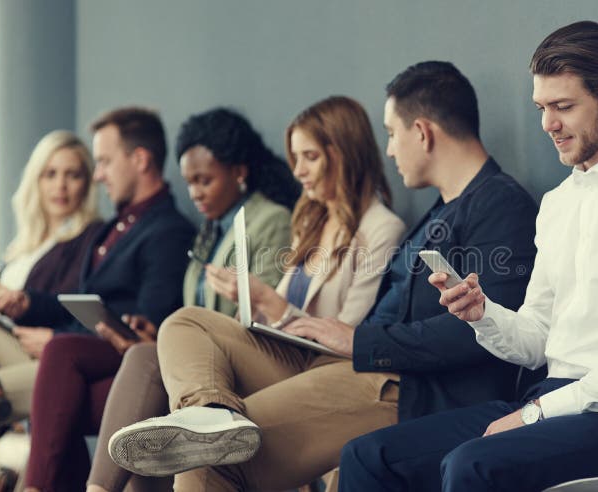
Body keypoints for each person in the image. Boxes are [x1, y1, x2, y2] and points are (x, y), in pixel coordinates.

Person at [109, 63, 539, 492]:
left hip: (404, 386)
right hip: (352, 364)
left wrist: (356, 340)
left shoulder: (499, 205)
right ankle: (208, 410)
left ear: (422, 132)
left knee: (207, 457)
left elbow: (484, 331)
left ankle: (209, 432)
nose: (389, 150)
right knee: (185, 323)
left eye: (392, 133)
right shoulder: (438, 212)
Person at [338, 21, 598, 492]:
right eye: (541, 108)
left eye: (563, 106)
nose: (548, 124)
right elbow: (537, 339)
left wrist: (538, 413)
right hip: (551, 400)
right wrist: (482, 315)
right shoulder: (559, 204)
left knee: (472, 465)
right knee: (368, 456)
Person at [20, 107, 298, 492]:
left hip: (229, 364)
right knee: (82, 391)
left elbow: (256, 319)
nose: (195, 193)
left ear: (238, 172)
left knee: (79, 367)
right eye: (190, 182)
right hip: (190, 356)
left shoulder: (268, 221)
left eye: (204, 180)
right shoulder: (210, 230)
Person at [0, 106, 195, 489]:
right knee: (61, 367)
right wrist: (28, 302)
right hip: (88, 347)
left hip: (125, 351)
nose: (99, 175)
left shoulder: (167, 230)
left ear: (140, 159)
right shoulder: (117, 227)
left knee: (61, 353)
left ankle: (36, 486)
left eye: (103, 162)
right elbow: (77, 302)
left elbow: (148, 319)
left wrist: (58, 335)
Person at [0, 130, 103, 475]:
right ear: (37, 180)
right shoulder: (21, 247)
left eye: (72, 175)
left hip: (46, 353)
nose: (60, 186)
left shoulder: (91, 239)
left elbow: (67, 305)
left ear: (87, 182)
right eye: (51, 174)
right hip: (8, 352)